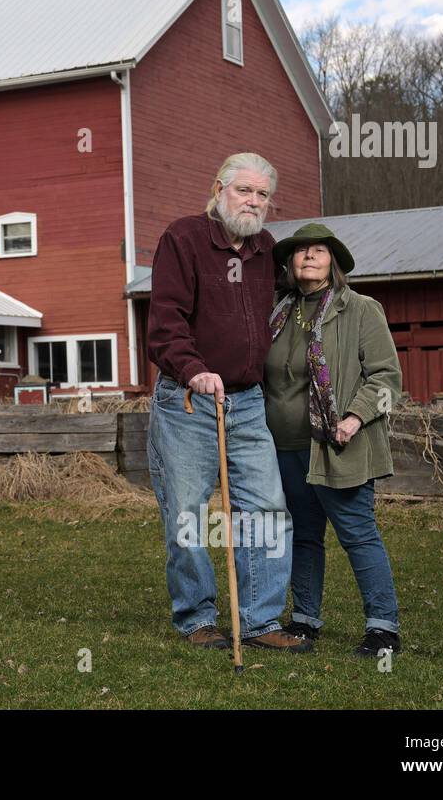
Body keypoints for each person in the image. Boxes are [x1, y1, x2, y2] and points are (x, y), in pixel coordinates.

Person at [146, 153, 308, 652]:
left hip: (248, 402)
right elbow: (165, 323)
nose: (254, 202)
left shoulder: (266, 250)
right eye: (245, 191)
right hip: (189, 402)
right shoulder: (184, 239)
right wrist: (194, 371)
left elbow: (293, 300)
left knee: (267, 509)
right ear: (219, 188)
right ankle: (197, 618)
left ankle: (260, 622)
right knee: (188, 513)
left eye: (262, 195)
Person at [264, 222, 404, 657]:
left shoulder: (360, 309)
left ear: (334, 262)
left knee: (357, 534)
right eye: (300, 250)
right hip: (284, 448)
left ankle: (383, 629)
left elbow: (386, 378)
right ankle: (304, 621)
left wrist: (354, 417)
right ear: (289, 263)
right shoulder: (277, 312)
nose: (308, 256)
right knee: (303, 536)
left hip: (338, 444)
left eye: (319, 251)